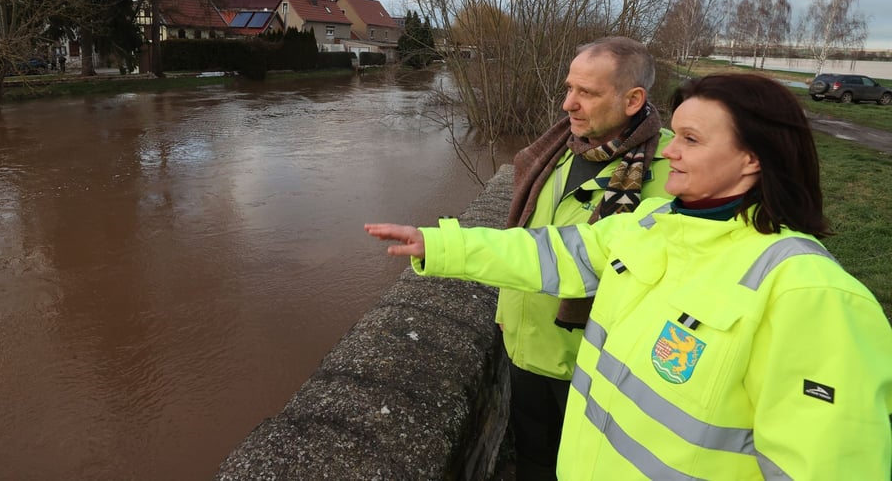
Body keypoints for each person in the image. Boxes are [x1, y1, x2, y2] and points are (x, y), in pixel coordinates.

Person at [366, 73, 892, 480]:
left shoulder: (811, 295)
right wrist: (438, 243)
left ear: (752, 158)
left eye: (689, 138)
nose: (668, 150)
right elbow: (547, 254)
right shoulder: (652, 223)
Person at [495, 36, 672, 479]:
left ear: (633, 100)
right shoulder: (555, 150)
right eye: (569, 88)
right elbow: (526, 238)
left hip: (594, 363)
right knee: (534, 459)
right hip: (525, 345)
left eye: (586, 93)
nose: (567, 105)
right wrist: (505, 310)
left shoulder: (670, 170)